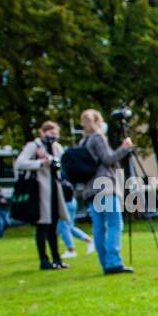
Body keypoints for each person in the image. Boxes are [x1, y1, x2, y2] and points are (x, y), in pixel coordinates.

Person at [77, 109, 131, 274]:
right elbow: (108, 159)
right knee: (115, 224)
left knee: (99, 228)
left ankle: (105, 262)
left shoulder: (83, 143)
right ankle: (113, 261)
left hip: (90, 190)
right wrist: (124, 148)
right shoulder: (98, 138)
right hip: (104, 186)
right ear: (98, 122)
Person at [14, 122, 70, 270]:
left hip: (54, 189)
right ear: (42, 132)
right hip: (40, 189)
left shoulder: (57, 147)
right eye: (48, 132)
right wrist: (40, 162)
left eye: (54, 132)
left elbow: (62, 163)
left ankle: (57, 258)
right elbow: (19, 163)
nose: (51, 135)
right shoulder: (33, 146)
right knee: (42, 225)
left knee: (53, 226)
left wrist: (50, 160)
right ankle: (44, 260)